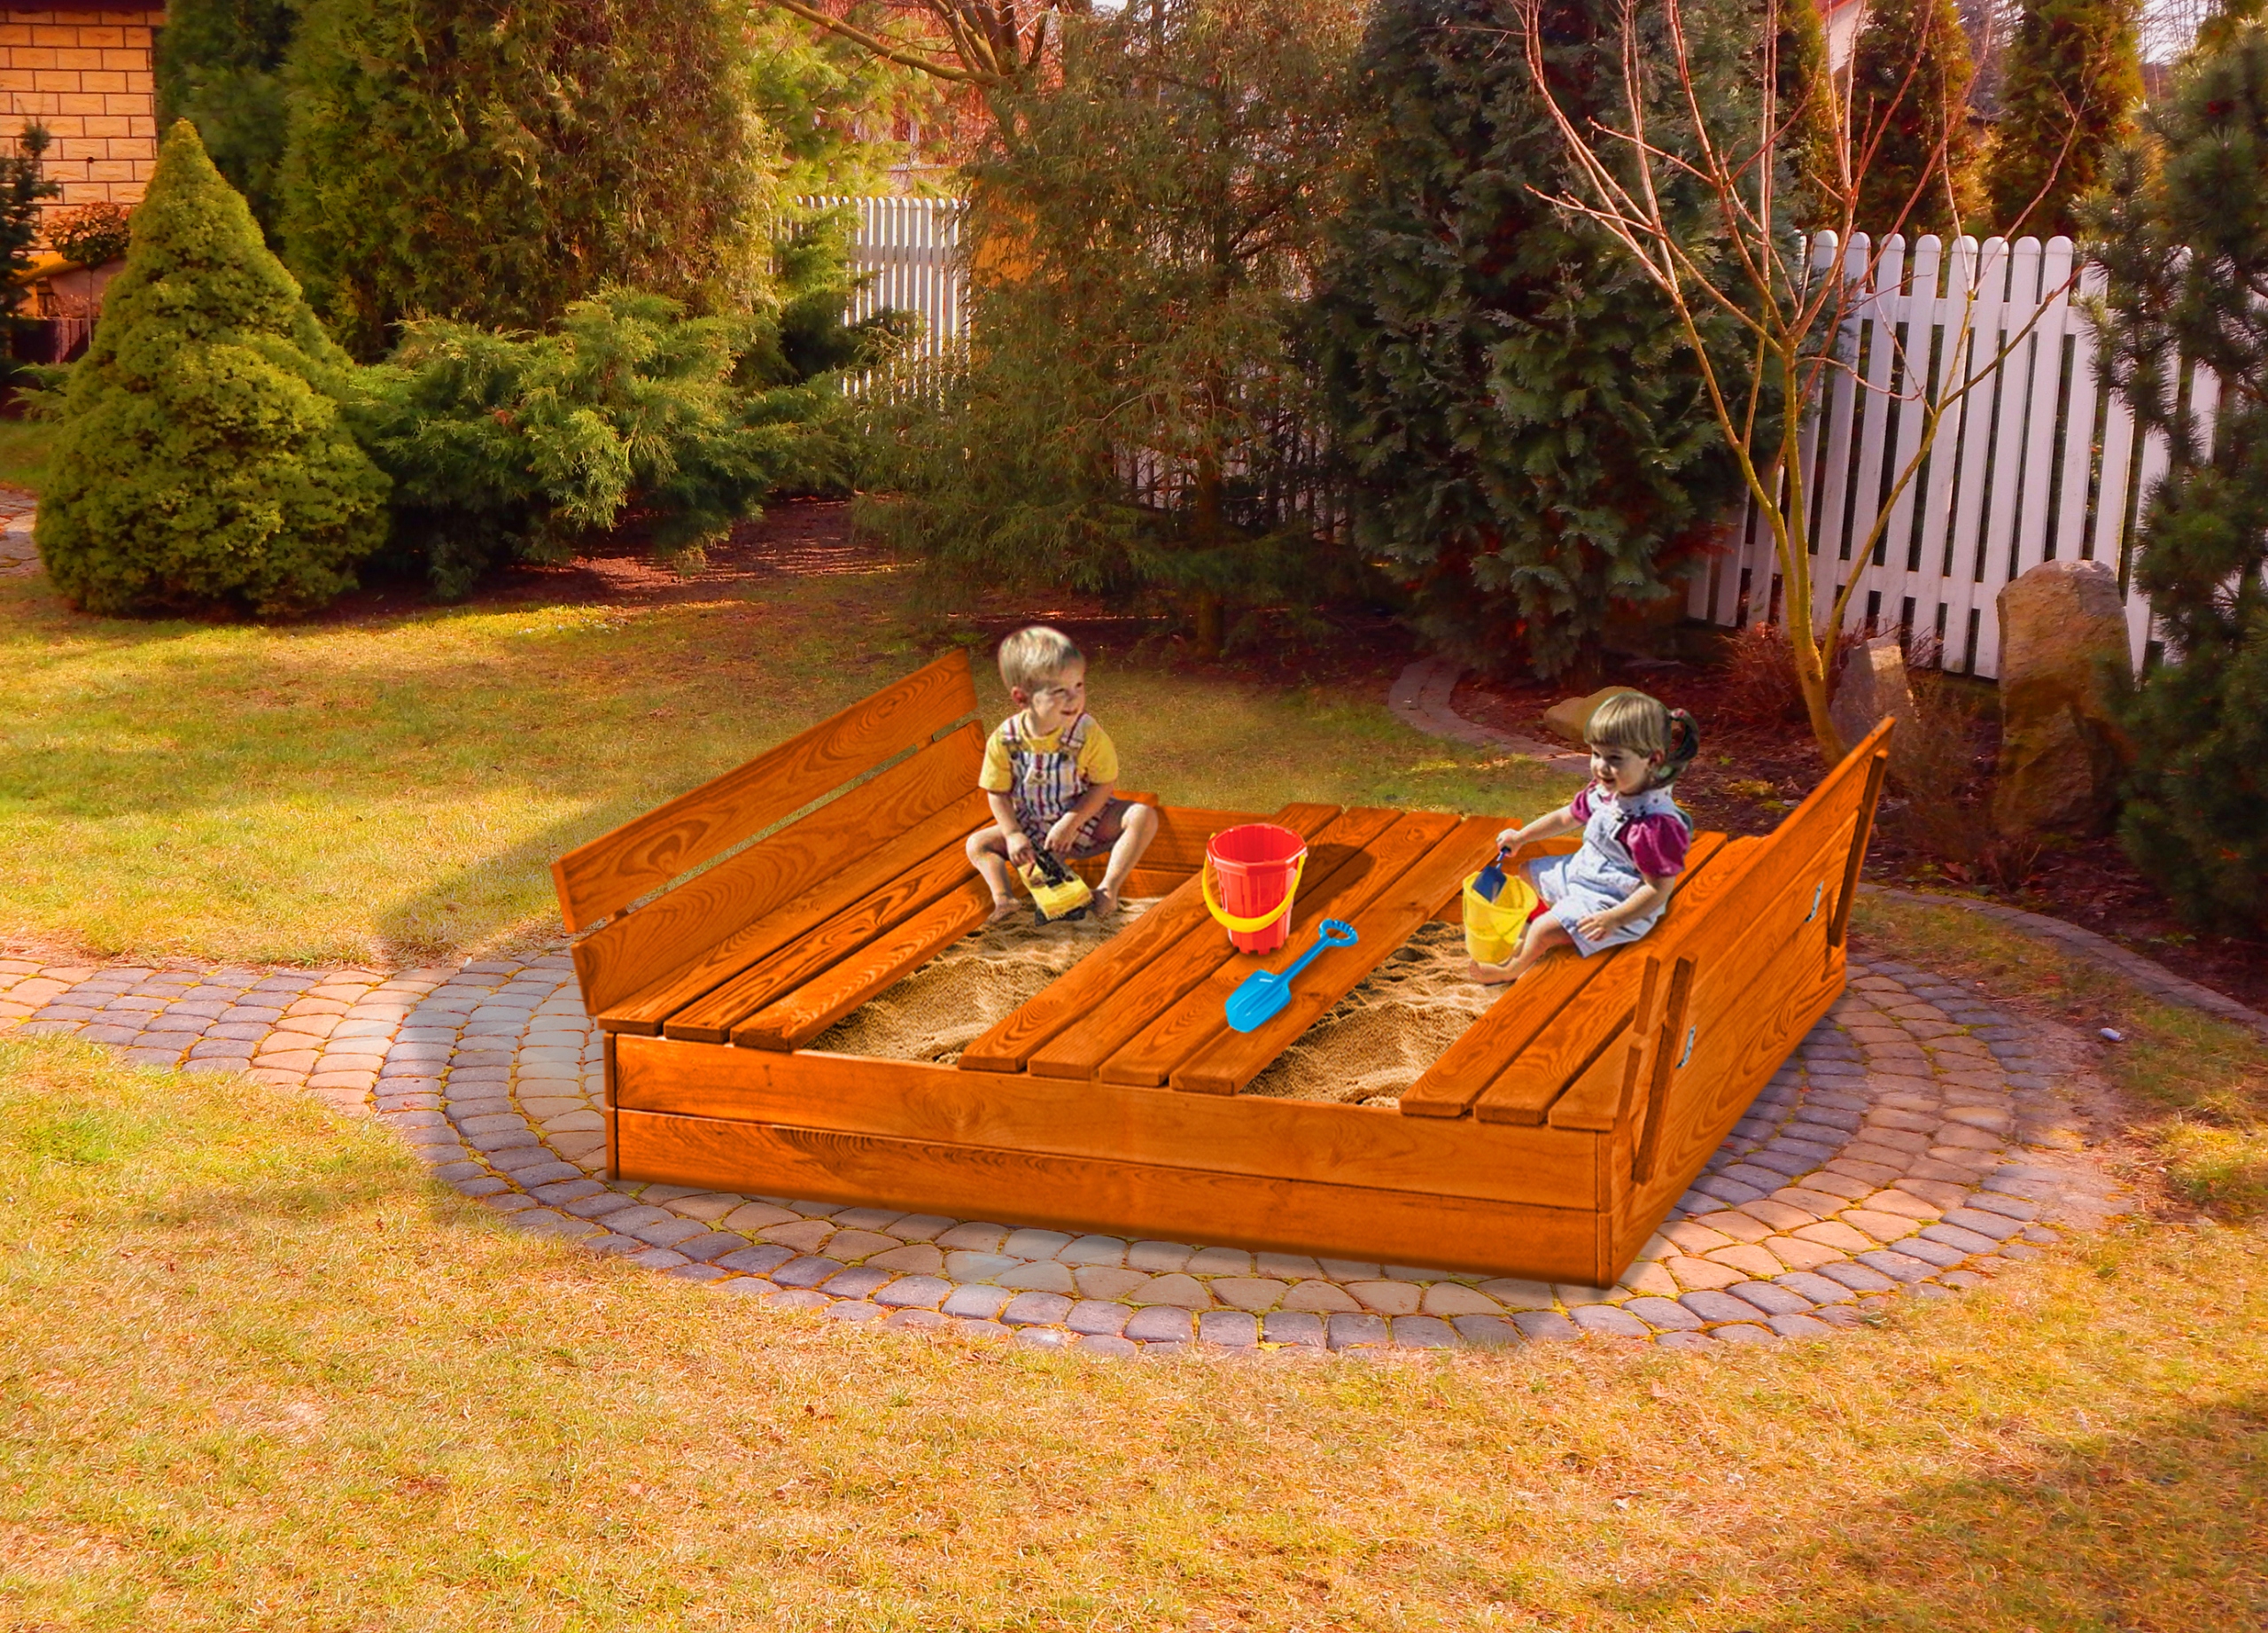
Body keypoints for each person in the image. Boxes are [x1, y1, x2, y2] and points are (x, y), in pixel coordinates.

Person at [1470, 691, 1700, 984]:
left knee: (1542, 929)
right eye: (1596, 754)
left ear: (1652, 760)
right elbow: (1566, 817)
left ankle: (1511, 969)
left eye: (1614, 758)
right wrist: (1522, 836)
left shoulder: (1653, 825)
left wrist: (1614, 918)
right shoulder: (1604, 792)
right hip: (1584, 871)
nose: (1601, 766)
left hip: (1617, 899)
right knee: (1525, 873)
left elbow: (1657, 890)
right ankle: (1548, 933)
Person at [966, 626, 1159, 922]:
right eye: (1060, 692)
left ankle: (1107, 890)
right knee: (977, 844)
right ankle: (1004, 899)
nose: (1074, 699)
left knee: (1142, 816)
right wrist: (1014, 834)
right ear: (1022, 698)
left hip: (1087, 820)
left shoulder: (1086, 732)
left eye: (1078, 686)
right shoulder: (1005, 739)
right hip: (1033, 830)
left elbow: (1103, 784)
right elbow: (997, 792)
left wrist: (1072, 821)